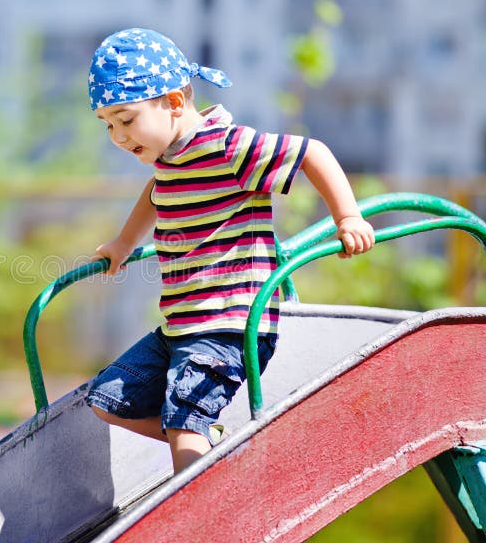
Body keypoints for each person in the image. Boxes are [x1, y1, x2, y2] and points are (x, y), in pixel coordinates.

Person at [84, 28, 375, 473]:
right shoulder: (170, 161)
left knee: (185, 428)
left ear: (176, 103)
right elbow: (156, 191)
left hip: (230, 323)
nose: (118, 136)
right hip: (183, 324)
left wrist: (347, 217)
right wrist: (125, 242)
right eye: (107, 125)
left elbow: (311, 152)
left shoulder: (228, 146)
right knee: (107, 400)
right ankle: (210, 443)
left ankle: (193, 508)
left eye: (125, 119)